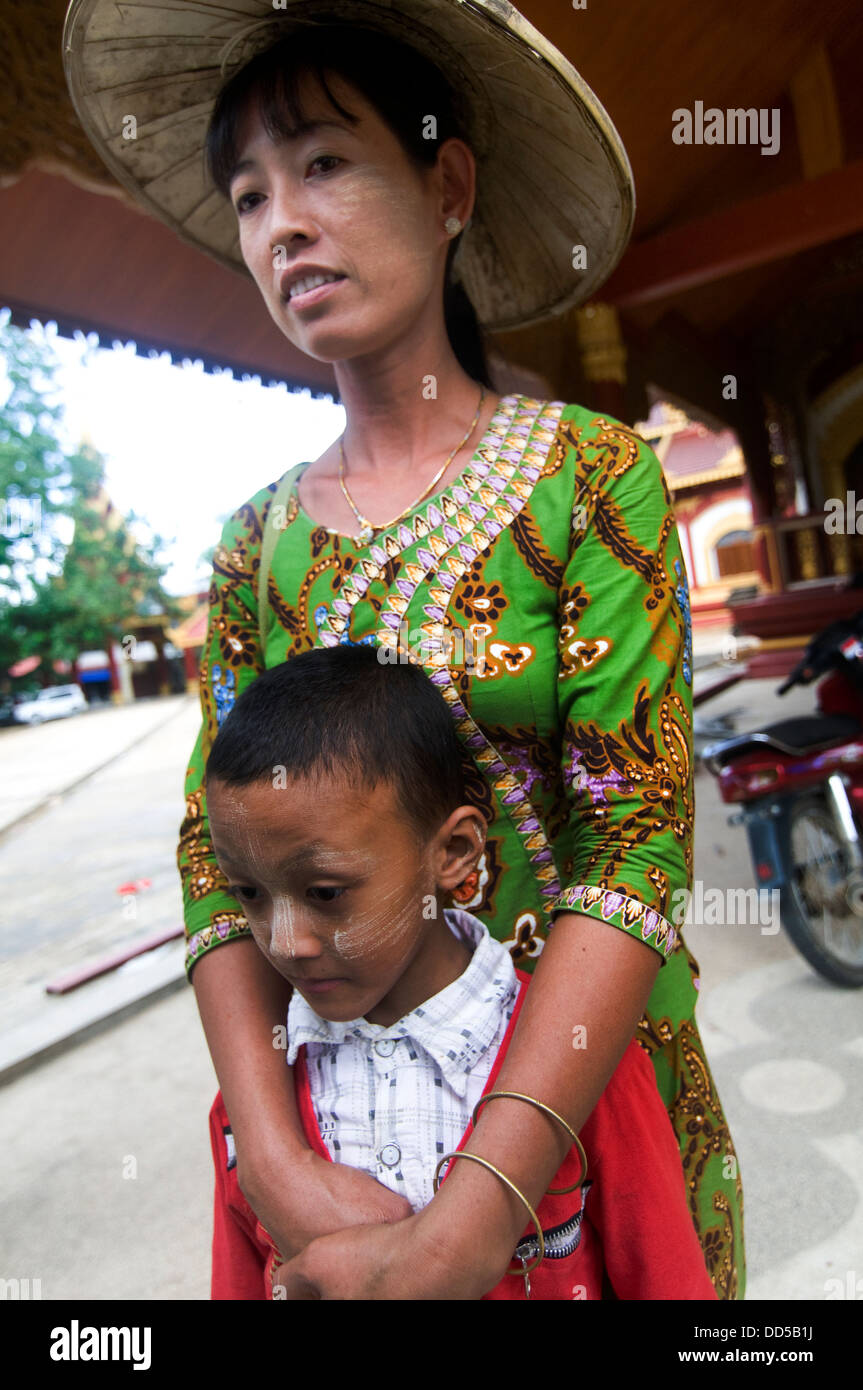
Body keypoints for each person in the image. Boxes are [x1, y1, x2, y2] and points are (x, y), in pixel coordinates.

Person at [64, 0, 745, 1298]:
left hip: (589, 1118)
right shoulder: (252, 546)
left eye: (321, 163)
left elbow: (635, 842)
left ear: (445, 184)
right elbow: (215, 858)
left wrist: (480, 1203)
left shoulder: (592, 481)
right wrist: (271, 1155)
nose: (281, 224)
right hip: (340, 1140)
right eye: (249, 195)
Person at [203, 643, 718, 1301]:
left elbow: (668, 1282)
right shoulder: (252, 1111)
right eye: (247, 892)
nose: (285, 942)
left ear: (451, 853)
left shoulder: (582, 1063)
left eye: (326, 893)